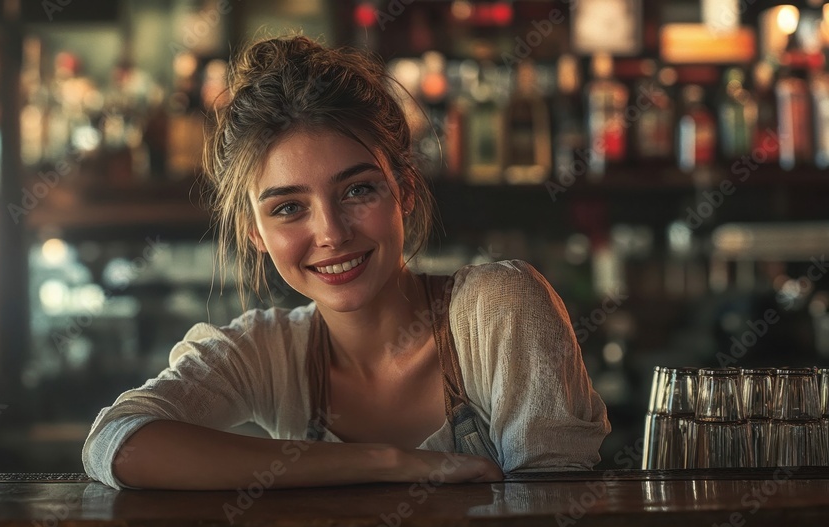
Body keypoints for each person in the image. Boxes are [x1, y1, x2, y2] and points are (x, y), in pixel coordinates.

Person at [82, 35, 610, 490]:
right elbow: (118, 443)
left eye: (357, 190)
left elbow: (552, 521)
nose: (331, 233)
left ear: (403, 190)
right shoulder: (268, 353)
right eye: (289, 208)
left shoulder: (497, 310)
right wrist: (384, 462)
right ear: (254, 232)